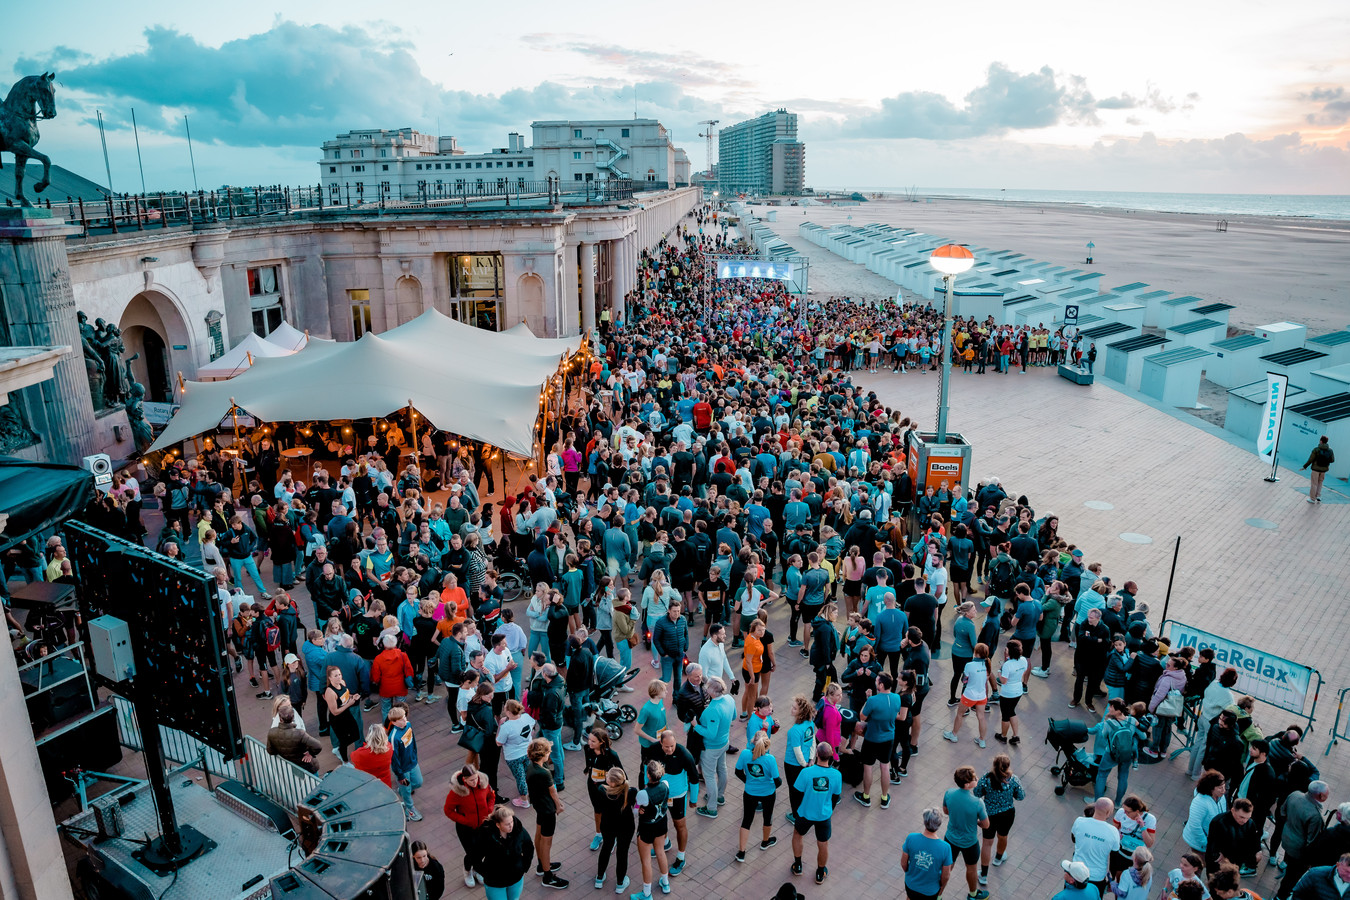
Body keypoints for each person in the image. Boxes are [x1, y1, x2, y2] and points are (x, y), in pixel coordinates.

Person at [791, 742, 842, 886]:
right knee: (823, 843)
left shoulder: (806, 773)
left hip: (805, 813)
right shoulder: (836, 775)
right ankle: (820, 872)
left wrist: (798, 811)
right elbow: (835, 797)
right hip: (823, 816)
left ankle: (798, 865)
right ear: (831, 755)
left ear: (817, 755)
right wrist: (828, 810)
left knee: (797, 835)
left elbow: (797, 794)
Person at [851, 671, 903, 809]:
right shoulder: (897, 698)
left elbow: (862, 717)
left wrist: (868, 699)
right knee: (885, 767)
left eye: (877, 681)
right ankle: (885, 797)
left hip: (872, 738)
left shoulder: (873, 701)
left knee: (868, 767)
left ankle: (866, 796)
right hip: (888, 738)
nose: (875, 683)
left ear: (881, 685)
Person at [974, 754, 1025, 886]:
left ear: (994, 765)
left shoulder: (986, 778)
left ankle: (984, 875)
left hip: (989, 814)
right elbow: (1021, 796)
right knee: (1003, 836)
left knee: (987, 843)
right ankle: (998, 858)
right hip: (1007, 814)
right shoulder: (1013, 780)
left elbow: (977, 793)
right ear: (1008, 766)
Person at [443, 765, 496, 889]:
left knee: (483, 849)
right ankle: (467, 871)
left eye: (476, 778)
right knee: (472, 853)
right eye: (471, 780)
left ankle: (477, 870)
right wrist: (464, 820)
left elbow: (491, 796)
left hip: (483, 824)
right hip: (465, 828)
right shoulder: (457, 792)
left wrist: (489, 809)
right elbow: (448, 810)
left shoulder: (483, 784)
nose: (475, 782)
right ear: (465, 780)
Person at [525, 738, 568, 889]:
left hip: (539, 807)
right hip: (548, 809)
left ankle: (541, 864)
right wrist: (559, 806)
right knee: (546, 842)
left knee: (539, 835)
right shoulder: (544, 772)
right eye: (548, 752)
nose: (550, 754)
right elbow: (552, 791)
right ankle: (548, 876)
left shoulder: (531, 767)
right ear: (543, 754)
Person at [734, 730, 782, 861]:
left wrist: (748, 781)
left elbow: (738, 772)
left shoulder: (744, 754)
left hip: (750, 792)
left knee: (747, 820)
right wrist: (768, 787)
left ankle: (741, 852)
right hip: (768, 794)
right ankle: (765, 842)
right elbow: (778, 781)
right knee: (768, 817)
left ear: (752, 742)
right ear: (767, 744)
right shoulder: (770, 759)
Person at [694, 676, 735, 819]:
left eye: (707, 686)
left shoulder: (712, 709)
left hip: (711, 747)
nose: (705, 688)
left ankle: (711, 808)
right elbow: (734, 716)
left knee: (709, 776)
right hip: (724, 742)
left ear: (712, 691)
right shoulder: (729, 699)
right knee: (722, 769)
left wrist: (695, 725)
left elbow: (710, 734)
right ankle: (720, 796)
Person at [633, 759, 673, 900]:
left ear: (648, 775)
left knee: (646, 860)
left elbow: (636, 811)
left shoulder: (643, 793)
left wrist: (639, 809)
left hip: (647, 827)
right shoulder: (666, 785)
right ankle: (665, 883)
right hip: (661, 823)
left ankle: (646, 893)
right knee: (661, 852)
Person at [477, 806, 535, 900]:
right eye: (507, 824)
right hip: (495, 882)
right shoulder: (486, 835)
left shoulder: (518, 830)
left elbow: (529, 847)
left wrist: (523, 867)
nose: (511, 825)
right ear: (498, 825)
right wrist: (486, 873)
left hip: (516, 879)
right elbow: (475, 857)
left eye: (511, 821)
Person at [595, 767, 637, 893]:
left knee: (606, 848)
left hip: (608, 825)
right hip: (626, 826)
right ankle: (620, 883)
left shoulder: (602, 790)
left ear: (610, 782)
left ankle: (599, 878)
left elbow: (599, 807)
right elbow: (636, 806)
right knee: (622, 853)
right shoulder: (631, 791)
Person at [943, 642, 992, 748]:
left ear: (976, 653)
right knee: (981, 717)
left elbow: (964, 680)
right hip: (982, 696)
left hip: (969, 695)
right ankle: (982, 740)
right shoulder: (987, 665)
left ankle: (954, 734)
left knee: (960, 714)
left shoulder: (969, 665)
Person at [584, 727, 623, 853]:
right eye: (589, 740)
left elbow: (622, 773)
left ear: (601, 742)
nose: (589, 743)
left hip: (608, 788)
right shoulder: (587, 750)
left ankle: (613, 837)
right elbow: (589, 764)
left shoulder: (612, 755)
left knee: (610, 813)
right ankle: (599, 834)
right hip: (593, 786)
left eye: (593, 741)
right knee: (597, 811)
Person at [1073, 798, 1122, 897]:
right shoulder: (1113, 832)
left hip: (1076, 871)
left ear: (1095, 807)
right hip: (1097, 877)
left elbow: (1074, 839)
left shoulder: (1079, 821)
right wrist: (1111, 879)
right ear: (1109, 812)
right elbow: (1114, 859)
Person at [903, 808, 954, 900]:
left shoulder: (911, 838)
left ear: (924, 821)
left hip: (911, 885)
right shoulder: (945, 848)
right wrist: (941, 887)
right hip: (930, 891)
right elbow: (946, 876)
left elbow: (903, 864)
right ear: (939, 824)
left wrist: (911, 873)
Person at [386, 703, 424, 821]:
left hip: (413, 763)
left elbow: (413, 742)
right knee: (407, 791)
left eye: (405, 718)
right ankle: (410, 809)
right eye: (402, 720)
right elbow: (394, 759)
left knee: (418, 782)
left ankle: (402, 790)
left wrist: (415, 756)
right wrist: (400, 775)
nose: (405, 721)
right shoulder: (393, 738)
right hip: (403, 769)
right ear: (394, 722)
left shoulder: (408, 725)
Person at [1206, 798, 1261, 879]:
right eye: (1242, 817)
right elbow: (1212, 845)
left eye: (1248, 817)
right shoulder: (1218, 822)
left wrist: (1258, 850)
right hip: (1218, 865)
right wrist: (1217, 856)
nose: (1245, 821)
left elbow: (1254, 840)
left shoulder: (1250, 823)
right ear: (1233, 810)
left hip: (1236, 863)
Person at [496, 699, 537, 807]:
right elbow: (532, 728)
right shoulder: (527, 717)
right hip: (528, 751)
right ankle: (531, 791)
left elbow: (499, 742)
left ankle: (524, 800)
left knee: (520, 777)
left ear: (509, 712)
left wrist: (500, 725)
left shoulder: (506, 726)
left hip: (513, 756)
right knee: (527, 773)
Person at [1184, 771, 1231, 861]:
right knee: (1198, 866)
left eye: (1224, 787)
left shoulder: (1220, 797)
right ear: (1211, 788)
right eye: (1220, 788)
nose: (1224, 790)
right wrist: (1206, 844)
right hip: (1200, 844)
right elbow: (1195, 826)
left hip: (1211, 842)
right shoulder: (1200, 802)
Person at [1111, 795, 1159, 879]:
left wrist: (1142, 826)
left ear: (1137, 811)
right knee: (1115, 873)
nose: (1124, 813)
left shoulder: (1150, 819)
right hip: (1119, 850)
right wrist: (1117, 835)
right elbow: (1114, 828)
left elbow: (1149, 843)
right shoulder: (1121, 812)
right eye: (1124, 809)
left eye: (1128, 812)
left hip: (1135, 855)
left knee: (1125, 877)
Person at [322, 664, 362, 762]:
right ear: (330, 678)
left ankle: (339, 748)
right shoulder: (330, 692)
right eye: (335, 676)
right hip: (337, 719)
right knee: (343, 740)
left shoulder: (342, 683)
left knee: (356, 734)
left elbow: (345, 695)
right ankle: (345, 761)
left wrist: (353, 696)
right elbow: (334, 712)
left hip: (346, 713)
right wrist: (350, 703)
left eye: (339, 674)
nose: (339, 677)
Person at [266, 705, 322, 773]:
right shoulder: (299, 733)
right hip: (306, 765)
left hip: (288, 767)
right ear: (293, 718)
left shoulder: (272, 732)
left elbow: (270, 751)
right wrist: (310, 754)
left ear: (280, 719)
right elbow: (318, 746)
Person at [994, 639, 1028, 745]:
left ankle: (1003, 736)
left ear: (1009, 650)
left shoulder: (1007, 665)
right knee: (1012, 711)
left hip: (1007, 693)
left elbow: (1003, 681)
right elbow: (1024, 672)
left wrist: (999, 672)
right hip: (1018, 691)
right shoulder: (1023, 660)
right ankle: (1015, 736)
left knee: (1005, 715)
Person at [351, 723, 393, 788]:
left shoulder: (361, 753)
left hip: (368, 783)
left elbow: (352, 756)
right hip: (385, 782)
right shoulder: (389, 747)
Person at [1300, 436, 1334, 503]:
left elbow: (1311, 459)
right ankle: (1318, 496)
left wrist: (1305, 466)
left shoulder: (1316, 449)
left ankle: (1312, 499)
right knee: (1320, 483)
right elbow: (1332, 460)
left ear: (1321, 441)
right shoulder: (1330, 450)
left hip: (1315, 469)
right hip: (1324, 470)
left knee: (1314, 484)